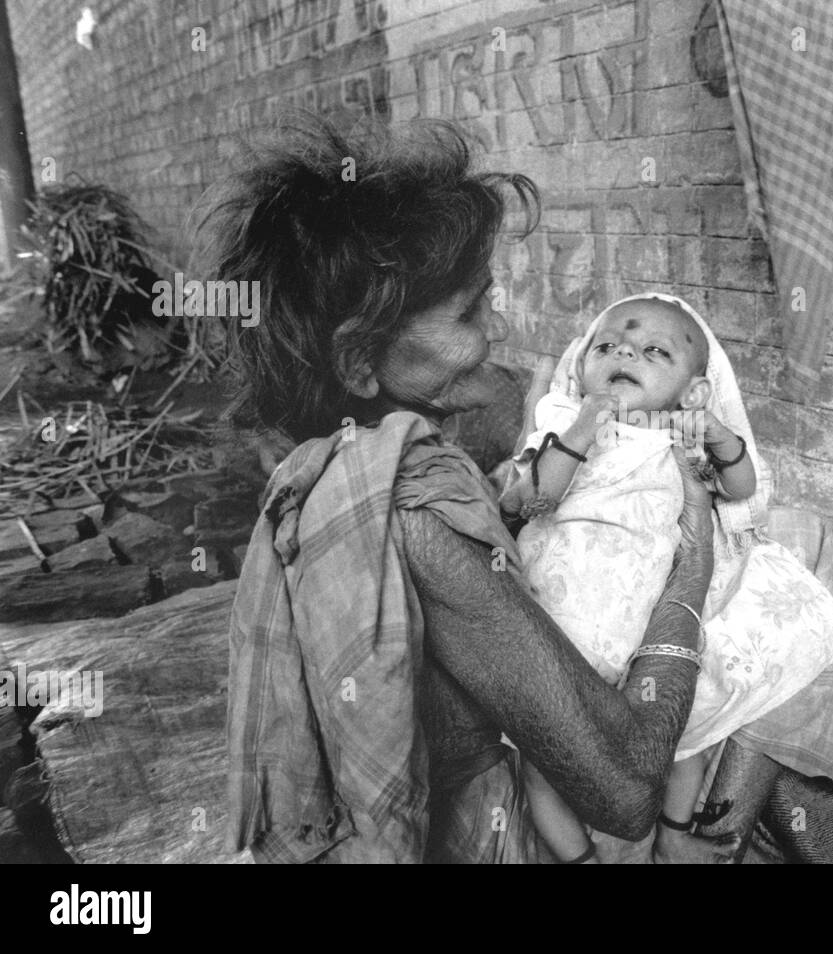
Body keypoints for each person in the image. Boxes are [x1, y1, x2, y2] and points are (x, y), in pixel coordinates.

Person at [209, 116, 727, 862]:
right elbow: (624, 789)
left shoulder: (344, 459)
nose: (499, 323)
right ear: (361, 363)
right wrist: (694, 570)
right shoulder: (420, 516)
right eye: (469, 312)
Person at [502, 293, 833, 863]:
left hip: (649, 625)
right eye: (607, 346)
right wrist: (586, 423)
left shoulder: (682, 431)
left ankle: (672, 831)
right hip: (561, 623)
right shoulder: (562, 420)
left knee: (688, 729)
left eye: (653, 351)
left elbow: (741, 491)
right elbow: (535, 498)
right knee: (540, 762)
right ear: (579, 365)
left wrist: (719, 436)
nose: (626, 354)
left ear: (692, 391)